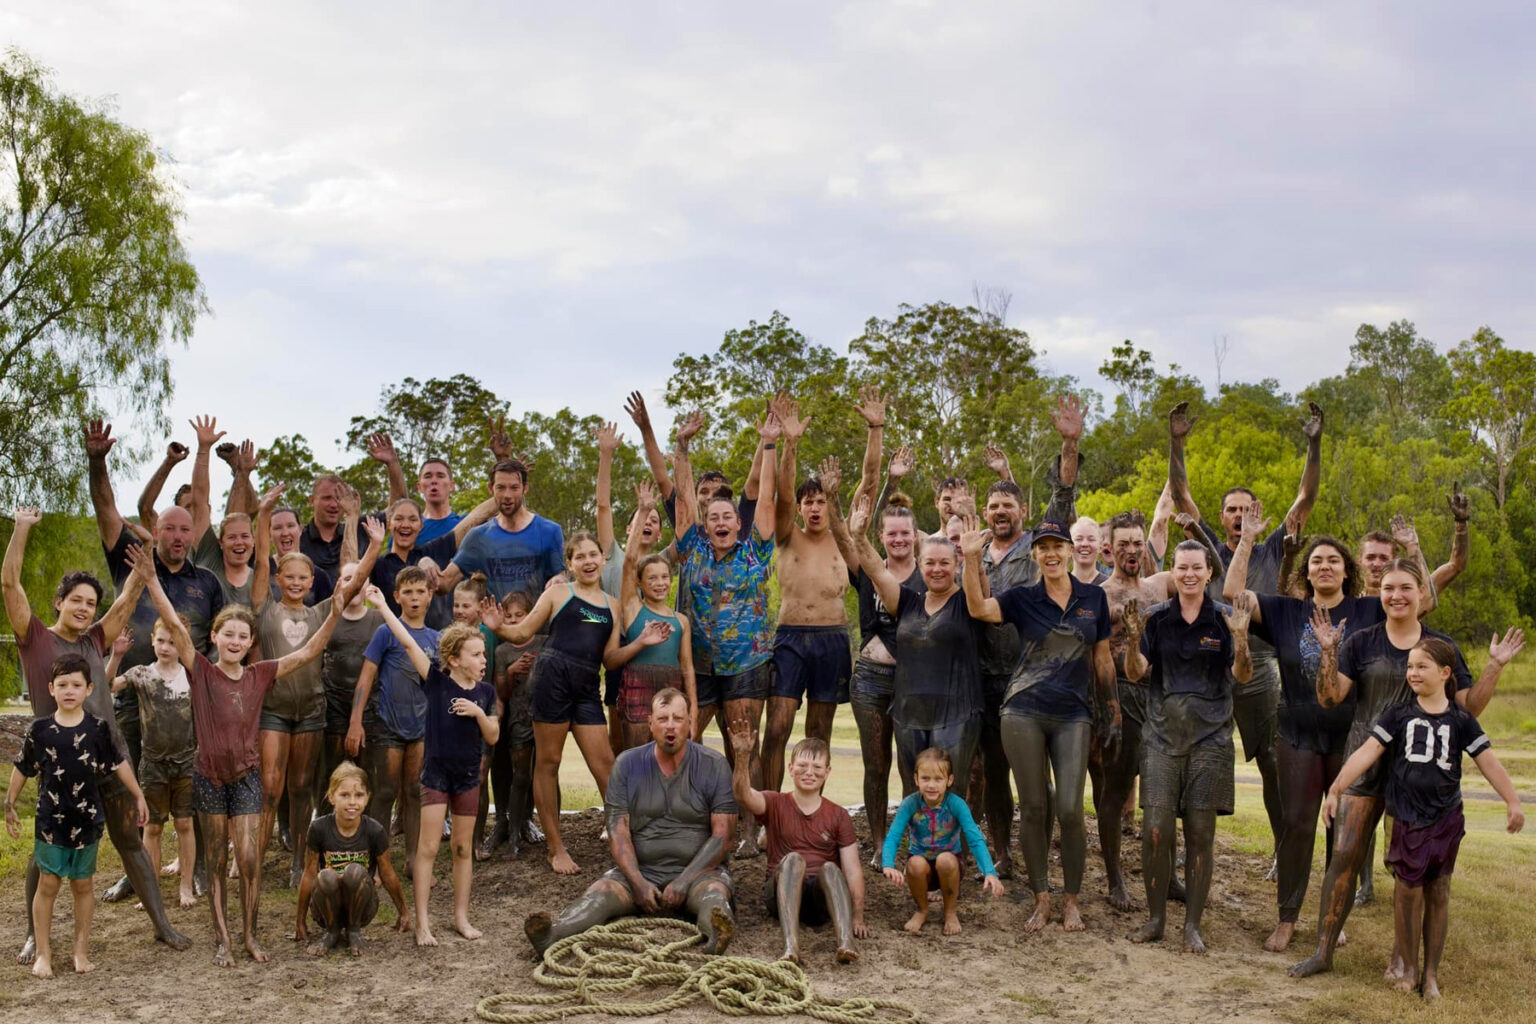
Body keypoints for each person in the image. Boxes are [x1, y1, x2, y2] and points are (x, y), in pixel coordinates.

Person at [1288, 559, 1521, 978]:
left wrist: (1495, 667)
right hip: (1366, 757)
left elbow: (1468, 707)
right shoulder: (1361, 642)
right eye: (1388, 588)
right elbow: (1329, 698)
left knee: (1405, 871)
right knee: (1342, 855)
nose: (1396, 595)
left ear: (1420, 593)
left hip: (1416, 775)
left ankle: (1403, 958)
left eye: (1406, 588)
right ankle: (1323, 952)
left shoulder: (1440, 647)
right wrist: (1328, 651)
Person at [4, 504, 190, 960]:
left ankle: (162, 925)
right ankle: (35, 934)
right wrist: (22, 529)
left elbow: (127, 598)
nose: (86, 609)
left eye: (91, 602)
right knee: (45, 851)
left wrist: (146, 548)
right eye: (77, 601)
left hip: (110, 758)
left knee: (130, 842)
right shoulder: (34, 638)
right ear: (59, 602)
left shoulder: (96, 640)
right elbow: (9, 583)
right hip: (60, 765)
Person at [1224, 501, 1409, 952]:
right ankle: (1287, 918)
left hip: (1351, 737)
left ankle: (1333, 915)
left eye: (1333, 561)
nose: (1324, 566)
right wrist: (1247, 538)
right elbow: (1233, 593)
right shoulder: (1286, 611)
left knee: (1341, 831)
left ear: (1347, 571)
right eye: (1316, 561)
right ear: (1306, 572)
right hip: (1296, 732)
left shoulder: (1369, 611)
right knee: (1297, 823)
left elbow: (1421, 601)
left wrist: (1411, 552)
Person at [140, 556, 342, 967]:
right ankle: (223, 940)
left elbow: (309, 651)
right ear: (214, 637)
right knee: (215, 863)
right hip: (209, 779)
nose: (235, 641)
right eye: (227, 633)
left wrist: (335, 613)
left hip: (247, 779)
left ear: (251, 643)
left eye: (242, 636)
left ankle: (249, 936)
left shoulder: (260, 674)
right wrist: (151, 582)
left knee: (249, 861)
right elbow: (176, 628)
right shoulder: (200, 670)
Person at [1322, 637, 1525, 1000]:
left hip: (1446, 818)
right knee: (1406, 891)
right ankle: (1408, 967)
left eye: (1421, 667)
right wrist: (1337, 788)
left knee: (1439, 891)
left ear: (1446, 673)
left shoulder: (1461, 721)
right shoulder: (1398, 715)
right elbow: (1367, 752)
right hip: (1407, 817)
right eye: (1410, 667)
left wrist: (1513, 801)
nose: (1412, 673)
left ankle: (1430, 974)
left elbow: (1489, 762)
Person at [1177, 403, 1325, 867]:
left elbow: (1305, 497)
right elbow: (1181, 496)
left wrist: (1314, 443)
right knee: (1191, 756)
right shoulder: (1204, 548)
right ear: (1221, 517)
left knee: (1272, 763)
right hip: (1206, 665)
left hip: (1260, 666)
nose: (1240, 515)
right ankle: (1189, 854)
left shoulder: (1275, 544)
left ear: (1257, 513)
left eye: (1247, 508)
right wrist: (1176, 442)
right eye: (1232, 509)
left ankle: (1285, 853)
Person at [86, 418, 225, 909]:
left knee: (195, 788)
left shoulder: (206, 582)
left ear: (194, 531)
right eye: (169, 528)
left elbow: (220, 637)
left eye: (186, 528)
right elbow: (105, 509)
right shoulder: (129, 560)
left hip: (189, 705)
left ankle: (202, 867)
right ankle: (135, 873)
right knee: (131, 789)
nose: (178, 535)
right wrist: (97, 461)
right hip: (131, 697)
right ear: (155, 530)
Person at [960, 514, 1116, 934]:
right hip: (1023, 710)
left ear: (1070, 551)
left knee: (1068, 808)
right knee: (1032, 806)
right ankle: (1042, 898)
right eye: (1043, 547)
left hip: (1073, 714)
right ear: (1035, 555)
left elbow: (1102, 658)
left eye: (1057, 546)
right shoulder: (1021, 597)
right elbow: (978, 607)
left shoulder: (1093, 599)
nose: (1051, 553)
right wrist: (972, 559)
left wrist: (1112, 711)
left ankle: (1072, 900)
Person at [524, 688, 738, 955]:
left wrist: (684, 881)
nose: (670, 726)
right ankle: (553, 932)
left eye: (677, 718)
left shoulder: (714, 765)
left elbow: (723, 836)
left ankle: (716, 933)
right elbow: (618, 830)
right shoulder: (627, 764)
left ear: (690, 723)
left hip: (700, 875)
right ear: (650, 724)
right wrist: (637, 881)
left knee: (714, 897)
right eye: (662, 719)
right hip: (640, 871)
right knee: (600, 893)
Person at [1121, 541, 1255, 953]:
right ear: (1173, 572)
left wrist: (1243, 640)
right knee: (1155, 831)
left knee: (1201, 833)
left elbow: (1243, 676)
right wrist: (1131, 640)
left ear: (1209, 574)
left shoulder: (1225, 619)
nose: (1190, 574)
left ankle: (1192, 925)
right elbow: (1136, 672)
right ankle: (1157, 918)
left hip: (1211, 741)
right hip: (1161, 738)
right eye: (1182, 568)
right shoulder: (1155, 619)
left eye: (1197, 568)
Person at [972, 397, 1083, 879]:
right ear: (985, 511)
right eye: (993, 505)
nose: (1000, 512)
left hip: (1033, 678)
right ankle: (1002, 851)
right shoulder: (975, 552)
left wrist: (1069, 442)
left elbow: (1063, 496)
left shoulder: (1038, 548)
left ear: (1023, 510)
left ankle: (1051, 845)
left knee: (1046, 779)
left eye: (1008, 505)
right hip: (984, 678)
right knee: (996, 774)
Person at [251, 488, 384, 886]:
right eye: (288, 577)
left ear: (312, 581)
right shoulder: (266, 608)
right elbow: (259, 560)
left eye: (302, 577)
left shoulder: (321, 611)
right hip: (274, 710)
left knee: (304, 788)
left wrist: (374, 546)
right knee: (272, 789)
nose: (295, 582)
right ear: (278, 579)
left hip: (311, 711)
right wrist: (263, 514)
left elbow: (356, 579)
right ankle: (254, 860)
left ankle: (299, 863)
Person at [1091, 510, 1222, 909]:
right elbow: (1096, 656)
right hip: (1120, 699)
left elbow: (1210, 569)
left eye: (1137, 542)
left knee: (1164, 796)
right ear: (1108, 549)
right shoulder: (1099, 594)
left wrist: (1194, 530)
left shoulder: (1160, 584)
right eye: (1124, 544)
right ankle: (1114, 879)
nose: (1132, 550)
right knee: (1113, 793)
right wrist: (1109, 711)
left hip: (1162, 701)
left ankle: (1167, 877)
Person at [670, 407, 780, 853]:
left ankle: (752, 831)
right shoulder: (691, 546)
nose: (719, 522)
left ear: (739, 523)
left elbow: (767, 498)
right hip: (699, 663)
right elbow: (681, 496)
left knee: (745, 746)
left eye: (727, 517)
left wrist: (769, 444)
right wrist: (682, 447)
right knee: (689, 739)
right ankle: (685, 821)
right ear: (705, 522)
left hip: (747, 663)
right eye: (712, 516)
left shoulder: (756, 552)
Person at [479, 532, 620, 875]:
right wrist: (498, 626)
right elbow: (522, 632)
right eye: (580, 557)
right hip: (551, 678)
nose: (588, 561)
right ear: (569, 564)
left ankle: (621, 839)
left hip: (587, 685)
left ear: (603, 559)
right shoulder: (558, 593)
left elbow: (611, 658)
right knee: (549, 761)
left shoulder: (613, 605)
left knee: (606, 764)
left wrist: (641, 642)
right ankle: (556, 848)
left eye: (593, 554)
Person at [5, 654, 151, 979]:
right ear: (50, 689)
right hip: (50, 820)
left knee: (83, 885)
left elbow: (118, 764)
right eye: (62, 685)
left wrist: (138, 795)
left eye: (75, 685)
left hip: (87, 819)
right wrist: (9, 802)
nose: (69, 690)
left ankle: (80, 950)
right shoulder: (40, 730)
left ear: (88, 689)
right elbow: (22, 767)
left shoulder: (98, 729)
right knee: (48, 883)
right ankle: (43, 953)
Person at [367, 611, 499, 945]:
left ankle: (461, 918)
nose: (483, 659)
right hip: (436, 776)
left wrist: (479, 713)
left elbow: (494, 735)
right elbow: (409, 644)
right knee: (427, 848)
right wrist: (383, 606)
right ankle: (422, 923)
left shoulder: (485, 692)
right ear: (454, 659)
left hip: (468, 778)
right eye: (476, 654)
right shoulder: (438, 682)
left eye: (483, 654)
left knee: (461, 848)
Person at [844, 496, 984, 796]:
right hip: (910, 713)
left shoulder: (967, 603)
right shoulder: (907, 602)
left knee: (953, 789)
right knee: (914, 789)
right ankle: (918, 844)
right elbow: (876, 572)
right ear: (919, 566)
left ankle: (957, 845)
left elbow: (979, 590)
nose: (937, 569)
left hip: (956, 713)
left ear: (956, 564)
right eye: (930, 563)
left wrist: (973, 557)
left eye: (944, 563)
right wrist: (858, 537)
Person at [762, 391, 855, 802]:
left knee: (819, 732)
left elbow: (870, 482)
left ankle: (813, 808)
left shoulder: (843, 537)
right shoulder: (787, 534)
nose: (814, 507)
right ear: (800, 507)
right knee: (778, 726)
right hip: (791, 638)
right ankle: (769, 809)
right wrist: (791, 443)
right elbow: (780, 495)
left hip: (833, 638)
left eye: (820, 500)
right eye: (808, 501)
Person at [725, 721, 868, 964]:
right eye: (802, 765)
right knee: (793, 859)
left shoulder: (838, 815)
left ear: (827, 772)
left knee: (831, 868)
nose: (809, 772)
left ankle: (845, 942)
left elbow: (852, 869)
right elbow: (743, 795)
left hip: (819, 902)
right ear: (790, 769)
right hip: (780, 894)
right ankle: (791, 947)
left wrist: (858, 916)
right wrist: (742, 757)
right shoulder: (775, 802)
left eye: (817, 766)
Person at [344, 566, 439, 872]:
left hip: (422, 726)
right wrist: (355, 722)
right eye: (407, 592)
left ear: (430, 596)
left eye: (420, 592)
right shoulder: (386, 631)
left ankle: (414, 860)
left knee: (414, 791)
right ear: (396, 597)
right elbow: (366, 678)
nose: (414, 598)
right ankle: (376, 861)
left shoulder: (436, 638)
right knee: (384, 791)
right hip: (387, 724)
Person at [847, 493, 922, 862]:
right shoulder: (866, 568)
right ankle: (878, 844)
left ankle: (906, 842)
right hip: (871, 679)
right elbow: (843, 536)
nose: (899, 539)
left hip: (912, 680)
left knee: (912, 766)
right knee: (876, 765)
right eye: (892, 534)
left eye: (905, 533)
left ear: (915, 534)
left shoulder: (928, 573)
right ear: (881, 536)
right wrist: (832, 500)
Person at [109, 617, 198, 908]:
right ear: (152, 640)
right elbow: (109, 686)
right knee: (153, 828)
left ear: (183, 644)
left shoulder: (192, 676)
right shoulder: (142, 674)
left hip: (185, 763)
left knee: (185, 824)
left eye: (173, 642)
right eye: (161, 640)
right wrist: (116, 656)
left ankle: (186, 886)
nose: (165, 647)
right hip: (153, 764)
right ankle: (152, 889)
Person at [607, 482, 694, 751]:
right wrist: (644, 510)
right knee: (634, 756)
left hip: (671, 686)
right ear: (640, 584)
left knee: (671, 757)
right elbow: (630, 561)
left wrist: (693, 712)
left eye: (665, 577)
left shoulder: (681, 621)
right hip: (636, 684)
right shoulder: (633, 608)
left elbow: (688, 669)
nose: (659, 583)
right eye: (652, 578)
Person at [880, 747, 1004, 936]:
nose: (931, 785)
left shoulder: (956, 804)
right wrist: (888, 864)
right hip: (922, 869)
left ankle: (950, 911)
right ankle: (922, 910)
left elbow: (975, 838)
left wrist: (989, 871)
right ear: (916, 779)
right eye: (925, 778)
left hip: (950, 865)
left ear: (949, 780)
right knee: (914, 863)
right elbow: (894, 836)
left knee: (945, 859)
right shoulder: (910, 804)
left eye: (938, 779)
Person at [294, 762, 409, 957]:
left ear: (367, 798)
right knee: (326, 876)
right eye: (344, 795)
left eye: (359, 795)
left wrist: (404, 911)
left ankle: (354, 931)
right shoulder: (319, 829)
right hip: (326, 906)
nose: (352, 802)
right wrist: (300, 921)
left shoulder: (375, 830)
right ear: (331, 797)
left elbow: (388, 873)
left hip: (362, 906)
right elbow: (309, 874)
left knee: (354, 872)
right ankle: (332, 932)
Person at [439, 459, 565, 603]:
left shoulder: (549, 531)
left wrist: (560, 580)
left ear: (525, 488)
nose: (507, 495)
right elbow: (444, 583)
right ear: (491, 488)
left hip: (539, 623)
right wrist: (425, 562)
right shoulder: (478, 537)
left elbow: (560, 580)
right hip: (495, 624)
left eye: (514, 487)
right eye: (501, 487)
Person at [370, 493, 496, 629]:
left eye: (413, 519)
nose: (405, 525)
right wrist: (373, 544)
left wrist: (505, 492)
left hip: (441, 643)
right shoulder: (378, 564)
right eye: (399, 519)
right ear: (389, 524)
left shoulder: (433, 550)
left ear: (421, 525)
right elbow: (352, 579)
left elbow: (472, 521)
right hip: (396, 644)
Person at [319, 557, 385, 813]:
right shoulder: (328, 615)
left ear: (368, 584)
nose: (354, 584)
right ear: (339, 583)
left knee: (366, 773)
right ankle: (326, 835)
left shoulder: (379, 619)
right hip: (332, 704)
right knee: (332, 772)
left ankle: (364, 835)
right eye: (348, 579)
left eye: (360, 579)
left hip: (370, 706)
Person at [480, 591, 540, 860]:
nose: (515, 621)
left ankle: (540, 827)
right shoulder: (502, 650)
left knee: (543, 774)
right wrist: (511, 671)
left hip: (544, 717)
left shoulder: (544, 643)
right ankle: (513, 833)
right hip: (517, 718)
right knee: (520, 775)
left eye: (521, 615)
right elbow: (501, 691)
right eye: (510, 616)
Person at [1070, 517, 1109, 585]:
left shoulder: (1109, 586)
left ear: (1100, 547)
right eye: (1079, 539)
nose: (1085, 544)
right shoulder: (1058, 586)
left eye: (1091, 539)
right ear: (1069, 547)